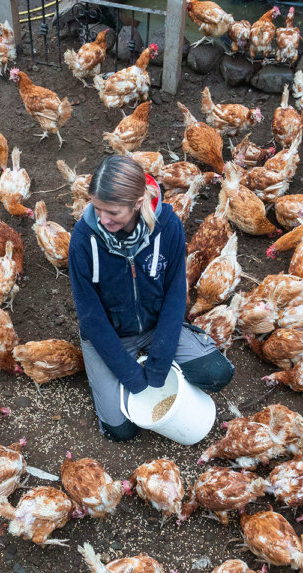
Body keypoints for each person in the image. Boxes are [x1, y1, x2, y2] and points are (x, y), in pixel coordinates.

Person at [68, 155, 234, 441]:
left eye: (113, 212)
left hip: (156, 325)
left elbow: (175, 294)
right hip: (110, 335)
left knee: (217, 373)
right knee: (121, 431)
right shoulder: (84, 240)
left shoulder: (168, 227)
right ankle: (117, 372)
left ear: (136, 203)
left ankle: (162, 364)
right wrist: (131, 375)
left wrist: (159, 362)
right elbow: (91, 317)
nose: (103, 219)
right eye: (97, 209)